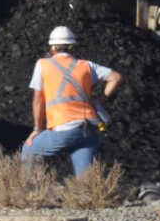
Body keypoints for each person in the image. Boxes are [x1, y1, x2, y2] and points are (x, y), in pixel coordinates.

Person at [20, 25, 121, 176]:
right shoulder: (87, 65)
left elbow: (37, 100)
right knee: (84, 181)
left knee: (29, 148)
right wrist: (99, 100)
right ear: (72, 47)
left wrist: (37, 129)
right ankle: (88, 197)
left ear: (52, 47)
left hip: (65, 129)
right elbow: (116, 77)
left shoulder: (43, 65)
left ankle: (26, 194)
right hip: (91, 129)